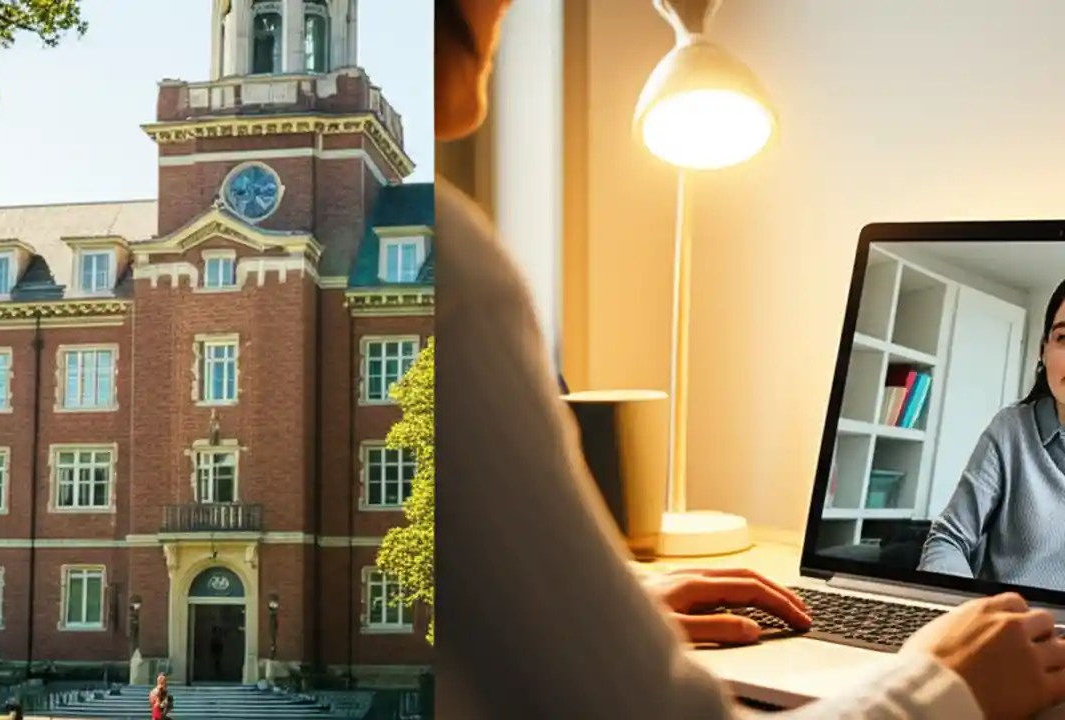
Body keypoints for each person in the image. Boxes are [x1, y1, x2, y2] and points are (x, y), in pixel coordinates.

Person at [435, 1, 1065, 718]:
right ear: (1043, 350)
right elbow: (949, 540)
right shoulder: (441, 267)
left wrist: (601, 612)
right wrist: (948, 678)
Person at [920, 278, 1065, 590]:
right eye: (1064, 338)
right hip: (1009, 628)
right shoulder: (1011, 430)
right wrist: (970, 619)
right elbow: (948, 540)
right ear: (1044, 350)